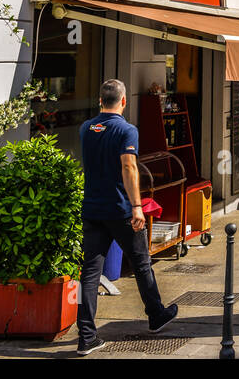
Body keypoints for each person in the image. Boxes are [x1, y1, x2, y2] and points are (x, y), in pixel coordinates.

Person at [76, 79, 177, 355]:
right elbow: (129, 166)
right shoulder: (127, 130)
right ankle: (156, 315)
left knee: (90, 274)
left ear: (100, 101)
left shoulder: (87, 128)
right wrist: (136, 206)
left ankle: (86, 338)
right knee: (142, 262)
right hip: (121, 210)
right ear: (123, 101)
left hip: (93, 209)